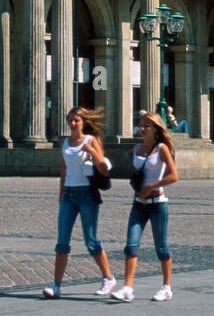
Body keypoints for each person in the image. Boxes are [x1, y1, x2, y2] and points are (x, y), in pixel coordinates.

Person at [43, 107, 115, 299]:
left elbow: (104, 168)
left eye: (77, 120)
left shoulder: (91, 140)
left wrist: (91, 150)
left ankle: (108, 277)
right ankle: (56, 285)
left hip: (87, 194)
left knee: (91, 240)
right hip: (69, 194)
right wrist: (61, 194)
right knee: (62, 241)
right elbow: (64, 169)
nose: (73, 124)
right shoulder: (65, 143)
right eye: (71, 120)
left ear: (83, 122)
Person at [112, 112, 178, 302]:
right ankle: (128, 287)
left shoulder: (162, 148)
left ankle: (166, 287)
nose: (142, 128)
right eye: (140, 125)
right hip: (138, 204)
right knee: (131, 245)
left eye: (146, 125)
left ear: (156, 128)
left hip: (158, 204)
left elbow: (174, 175)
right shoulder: (136, 149)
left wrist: (151, 186)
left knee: (161, 247)